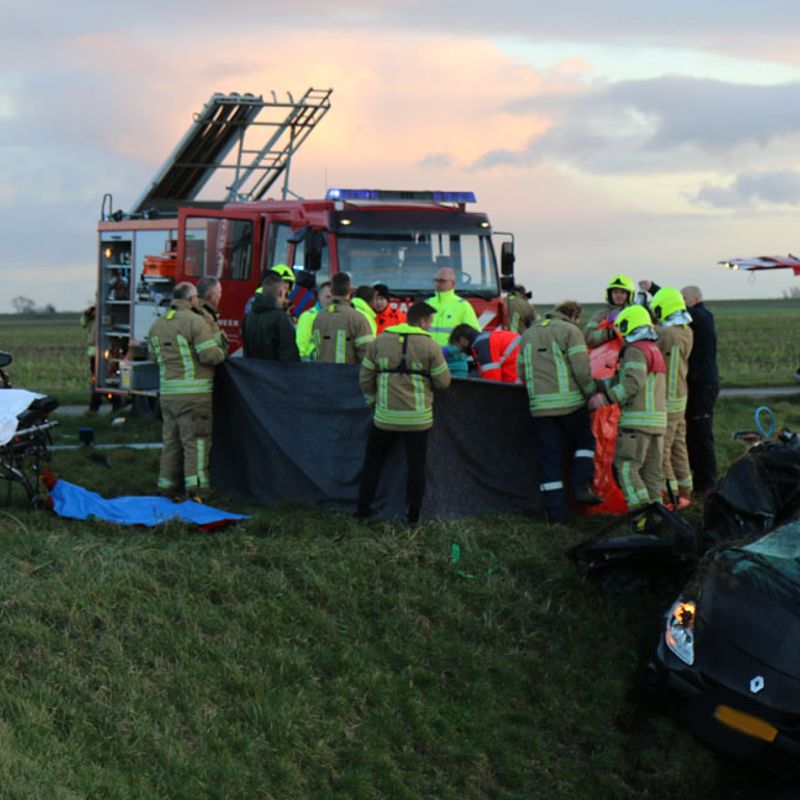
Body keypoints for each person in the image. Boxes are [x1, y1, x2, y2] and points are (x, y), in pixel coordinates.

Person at [356, 301, 451, 525]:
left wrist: (373, 402)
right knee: (416, 467)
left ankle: (362, 511)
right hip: (418, 419)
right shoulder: (430, 346)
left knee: (372, 462)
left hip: (385, 417)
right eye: (429, 322)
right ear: (421, 321)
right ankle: (413, 517)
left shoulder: (380, 341)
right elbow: (443, 382)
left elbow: (365, 378)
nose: (429, 327)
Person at [517, 301, 599, 523]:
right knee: (585, 443)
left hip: (540, 408)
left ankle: (555, 514)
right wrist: (591, 393)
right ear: (573, 314)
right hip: (571, 405)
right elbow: (582, 370)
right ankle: (581, 485)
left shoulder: (528, 335)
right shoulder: (571, 331)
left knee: (549, 459)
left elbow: (522, 371)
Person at [588, 305, 666, 526]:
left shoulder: (635, 350)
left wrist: (604, 399)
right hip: (657, 423)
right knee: (651, 475)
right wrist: (599, 384)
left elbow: (632, 383)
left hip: (636, 423)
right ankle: (658, 518)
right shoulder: (653, 349)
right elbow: (628, 379)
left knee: (626, 468)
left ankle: (641, 518)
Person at [148, 281, 226, 498]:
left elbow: (154, 357)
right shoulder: (196, 322)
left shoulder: (157, 325)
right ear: (192, 299)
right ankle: (197, 491)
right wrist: (222, 352)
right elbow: (209, 356)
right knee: (197, 444)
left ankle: (166, 488)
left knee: (171, 444)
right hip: (195, 397)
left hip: (168, 397)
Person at [651, 286, 694, 508]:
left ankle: (671, 498)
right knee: (679, 447)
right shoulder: (686, 329)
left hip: (667, 400)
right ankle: (686, 491)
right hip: (680, 397)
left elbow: (645, 338)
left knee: (662, 451)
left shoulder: (666, 334)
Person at [681, 284, 719, 494]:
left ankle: (707, 484)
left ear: (696, 298)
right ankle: (698, 480)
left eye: (684, 297)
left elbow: (677, 313)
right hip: (697, 382)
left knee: (701, 433)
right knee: (693, 433)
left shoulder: (701, 316)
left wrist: (654, 289)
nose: (681, 301)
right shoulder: (697, 316)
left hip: (703, 384)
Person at [312, 273, 374, 364]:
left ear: (332, 291)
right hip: (348, 376)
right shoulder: (358, 318)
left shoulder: (319, 317)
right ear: (350, 291)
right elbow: (367, 356)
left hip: (322, 374)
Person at [241, 272, 300, 361]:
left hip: (252, 372)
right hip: (275, 373)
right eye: (285, 294)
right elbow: (289, 357)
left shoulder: (248, 317)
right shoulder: (281, 319)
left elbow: (246, 352)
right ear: (280, 294)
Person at [80, 302, 121, 413]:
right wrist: (87, 314)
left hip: (107, 352)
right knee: (97, 380)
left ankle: (96, 407)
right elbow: (83, 323)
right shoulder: (92, 313)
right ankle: (115, 403)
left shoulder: (111, 310)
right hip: (94, 352)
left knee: (101, 381)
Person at [426, 267, 480, 346]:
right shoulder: (427, 303)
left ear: (453, 283)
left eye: (442, 281)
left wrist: (456, 351)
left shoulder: (463, 305)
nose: (437, 283)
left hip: (452, 356)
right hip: (428, 354)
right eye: (436, 280)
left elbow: (472, 333)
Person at [449, 323, 521, 383]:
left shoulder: (482, 345)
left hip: (519, 385)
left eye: (457, 346)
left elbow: (493, 382)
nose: (460, 351)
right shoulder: (487, 339)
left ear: (463, 341)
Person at [584, 274, 634, 348]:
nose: (618, 295)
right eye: (615, 292)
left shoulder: (634, 313)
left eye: (623, 292)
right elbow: (587, 337)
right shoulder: (600, 315)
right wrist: (611, 333)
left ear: (629, 295)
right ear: (610, 294)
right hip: (605, 356)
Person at [295, 281, 332, 361]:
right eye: (328, 297)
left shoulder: (338, 316)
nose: (330, 301)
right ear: (319, 296)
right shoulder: (308, 317)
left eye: (334, 298)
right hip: (313, 366)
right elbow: (301, 347)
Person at [196, 276, 229, 351]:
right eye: (219, 292)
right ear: (211, 296)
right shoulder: (207, 317)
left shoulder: (193, 309)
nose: (220, 295)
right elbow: (211, 354)